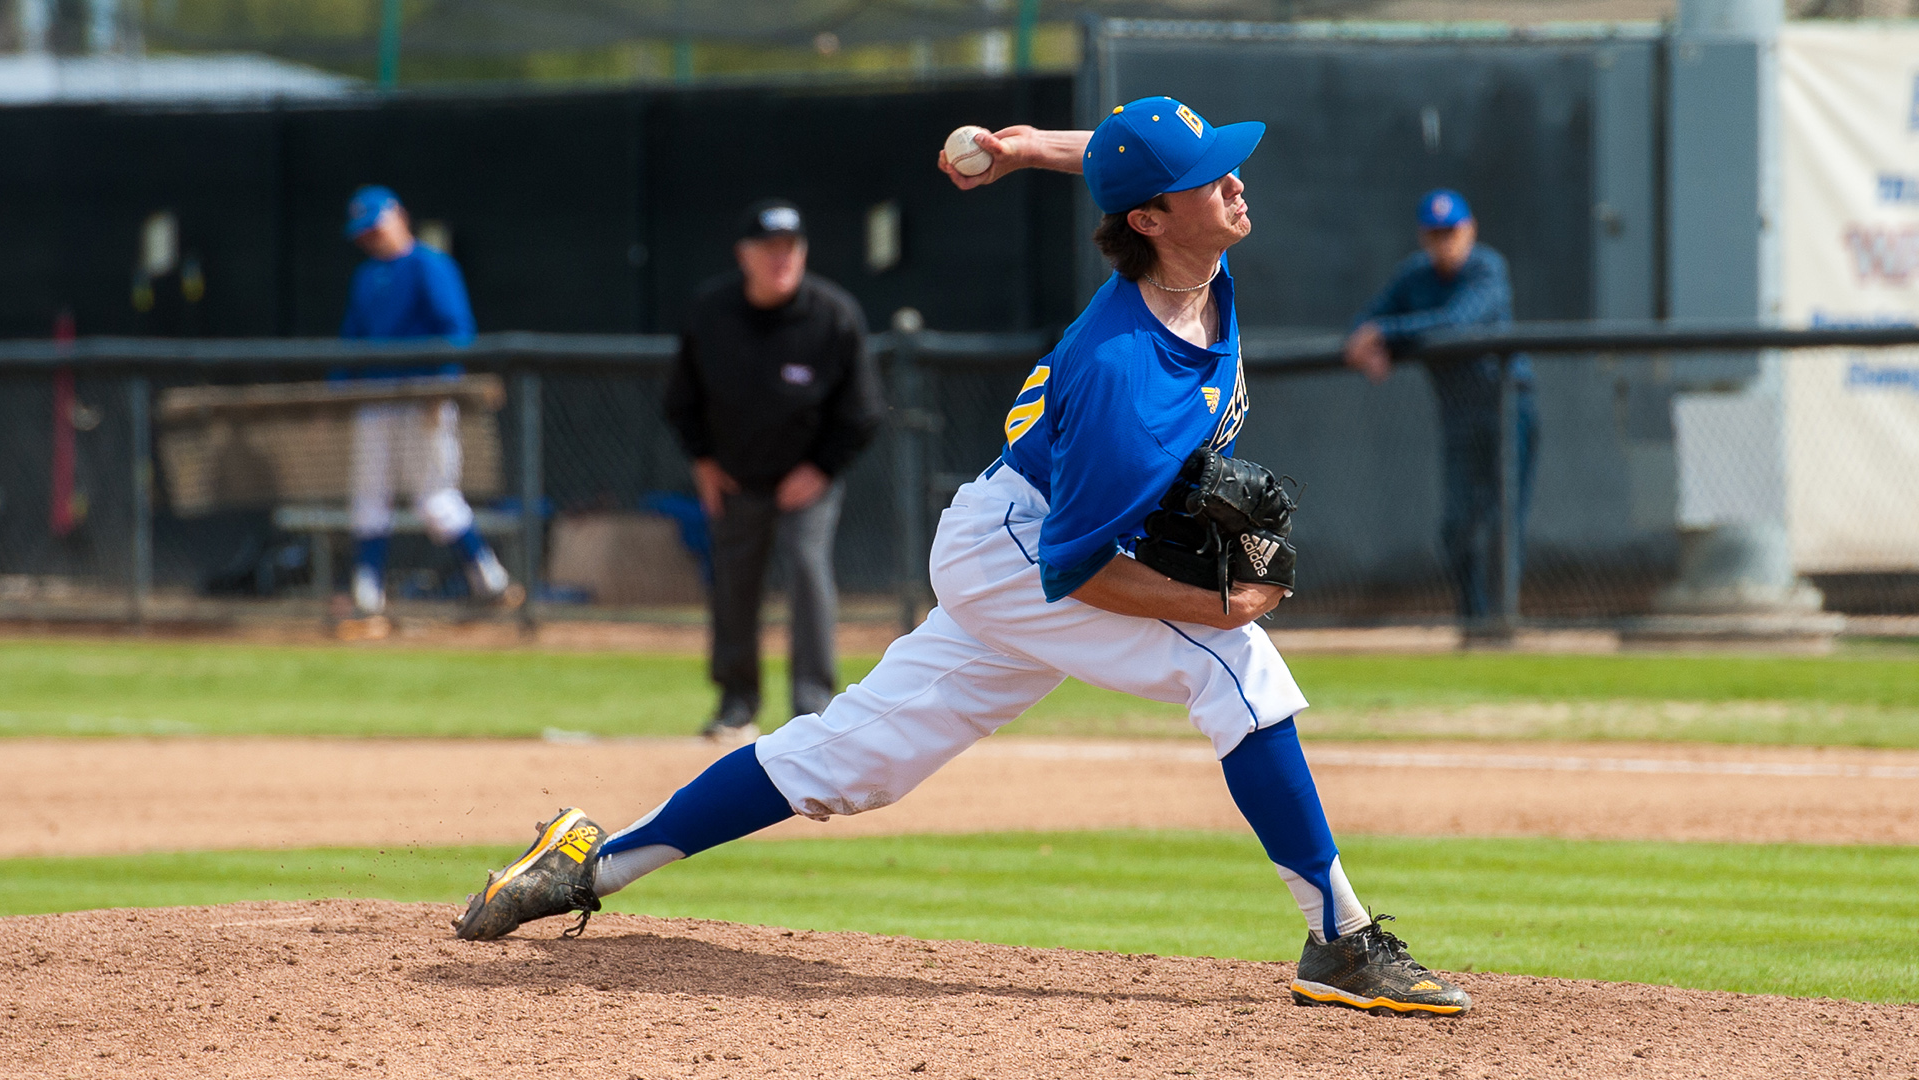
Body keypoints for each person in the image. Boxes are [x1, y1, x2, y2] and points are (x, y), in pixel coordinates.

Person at [452, 100, 1473, 1017]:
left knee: (854, 764)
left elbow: (1126, 154)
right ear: (1155, 221)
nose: (1235, 180)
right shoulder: (1130, 374)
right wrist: (1215, 610)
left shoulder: (1192, 255)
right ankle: (1339, 942)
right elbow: (1074, 572)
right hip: (1025, 549)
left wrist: (1032, 149)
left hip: (1012, 528)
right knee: (1237, 676)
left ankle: (591, 864)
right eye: (1209, 176)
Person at [664, 199, 883, 742]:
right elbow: (680, 399)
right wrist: (704, 462)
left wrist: (821, 468)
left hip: (806, 480)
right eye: (769, 249)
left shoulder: (833, 314)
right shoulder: (710, 313)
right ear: (744, 255)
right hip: (736, 477)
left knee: (809, 573)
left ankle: (812, 706)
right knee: (734, 584)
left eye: (790, 248)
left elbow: (862, 410)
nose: (780, 259)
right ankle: (736, 702)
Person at [1343, 190, 1537, 621]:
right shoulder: (1415, 276)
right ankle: (1474, 620)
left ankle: (1502, 621)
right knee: (1457, 525)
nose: (1445, 241)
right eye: (1435, 233)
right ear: (1423, 237)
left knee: (1503, 520)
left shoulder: (1487, 267)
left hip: (1507, 406)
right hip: (1459, 413)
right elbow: (1366, 322)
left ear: (1469, 230)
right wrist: (1373, 335)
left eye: (1452, 231)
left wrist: (1385, 335)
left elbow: (1457, 323)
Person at [338, 184, 517, 620]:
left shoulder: (429, 266)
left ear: (398, 216)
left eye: (375, 227)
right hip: (375, 398)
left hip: (423, 397)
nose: (371, 238)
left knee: (434, 497)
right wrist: (339, 389)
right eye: (363, 233)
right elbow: (349, 342)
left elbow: (457, 330)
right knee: (368, 495)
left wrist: (443, 387)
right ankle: (367, 593)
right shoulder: (365, 277)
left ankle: (489, 580)